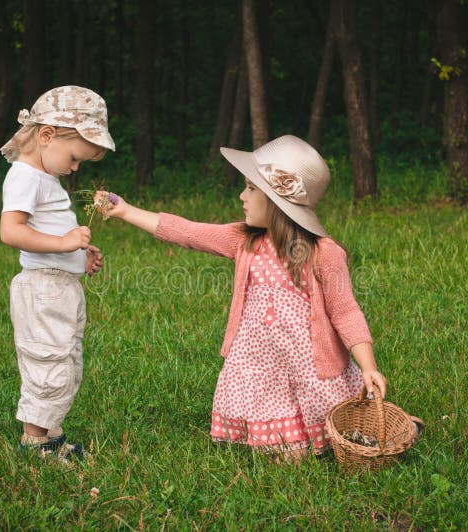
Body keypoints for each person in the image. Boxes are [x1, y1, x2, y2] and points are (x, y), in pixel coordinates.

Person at [95, 135, 386, 463]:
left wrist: (369, 367)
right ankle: (288, 438)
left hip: (307, 366)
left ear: (276, 200)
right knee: (288, 455)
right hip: (260, 363)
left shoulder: (323, 253)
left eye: (250, 189)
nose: (241, 196)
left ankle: (322, 435)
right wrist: (126, 211)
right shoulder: (245, 241)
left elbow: (345, 311)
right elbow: (188, 232)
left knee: (328, 433)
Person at [0, 85, 116, 461]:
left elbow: (48, 234)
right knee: (47, 363)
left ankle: (51, 435)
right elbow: (11, 231)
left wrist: (79, 256)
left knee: (64, 362)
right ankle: (35, 444)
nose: (75, 168)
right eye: (75, 158)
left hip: (59, 288)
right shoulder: (24, 176)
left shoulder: (44, 178)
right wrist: (65, 243)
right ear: (47, 136)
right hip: (42, 290)